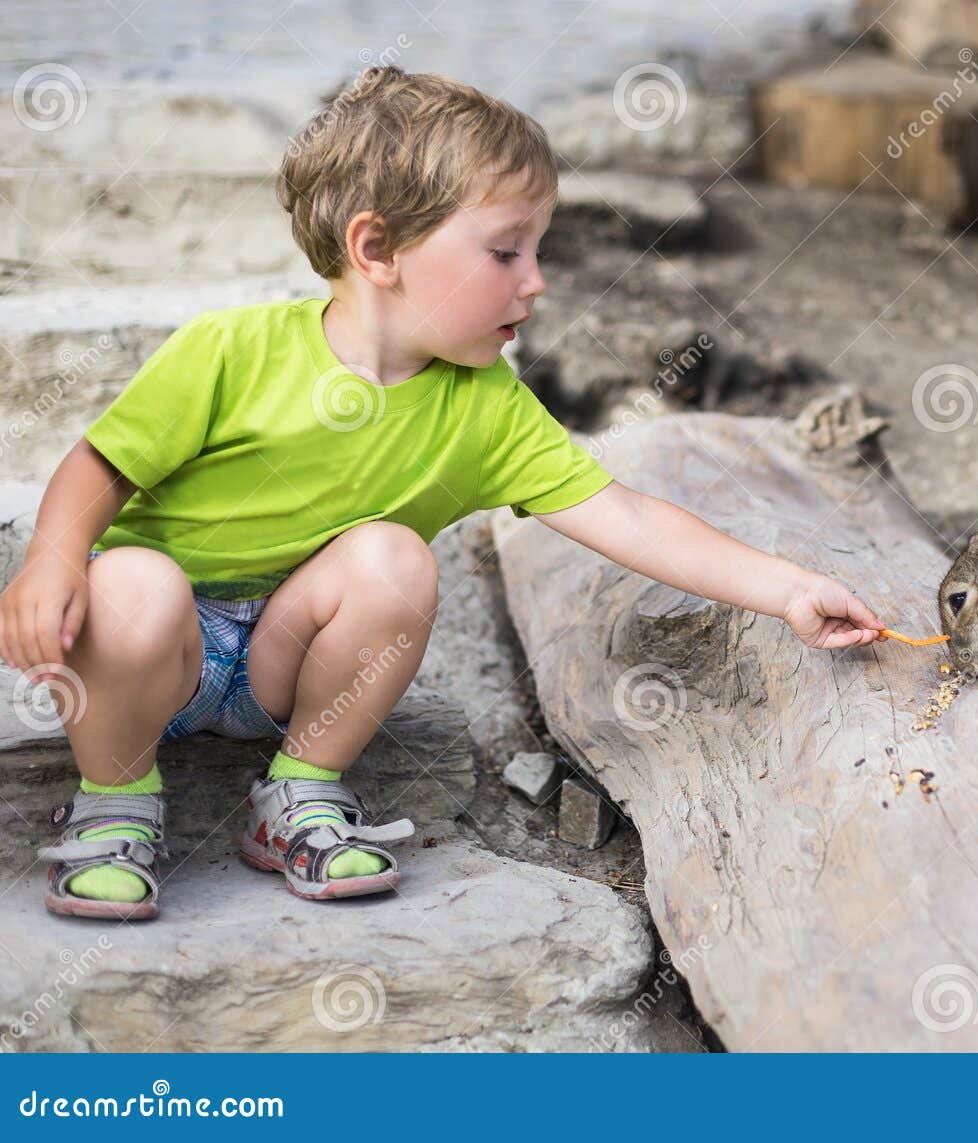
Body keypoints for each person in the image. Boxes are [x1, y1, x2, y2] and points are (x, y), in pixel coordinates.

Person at [0, 67, 884, 920]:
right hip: (156, 654)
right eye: (505, 251)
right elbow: (101, 464)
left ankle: (301, 793)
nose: (535, 281)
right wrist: (48, 562)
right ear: (377, 248)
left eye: (537, 250)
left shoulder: (486, 406)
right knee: (132, 582)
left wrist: (787, 588)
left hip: (284, 662)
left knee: (393, 559)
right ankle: (116, 804)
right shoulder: (232, 350)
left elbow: (629, 516)